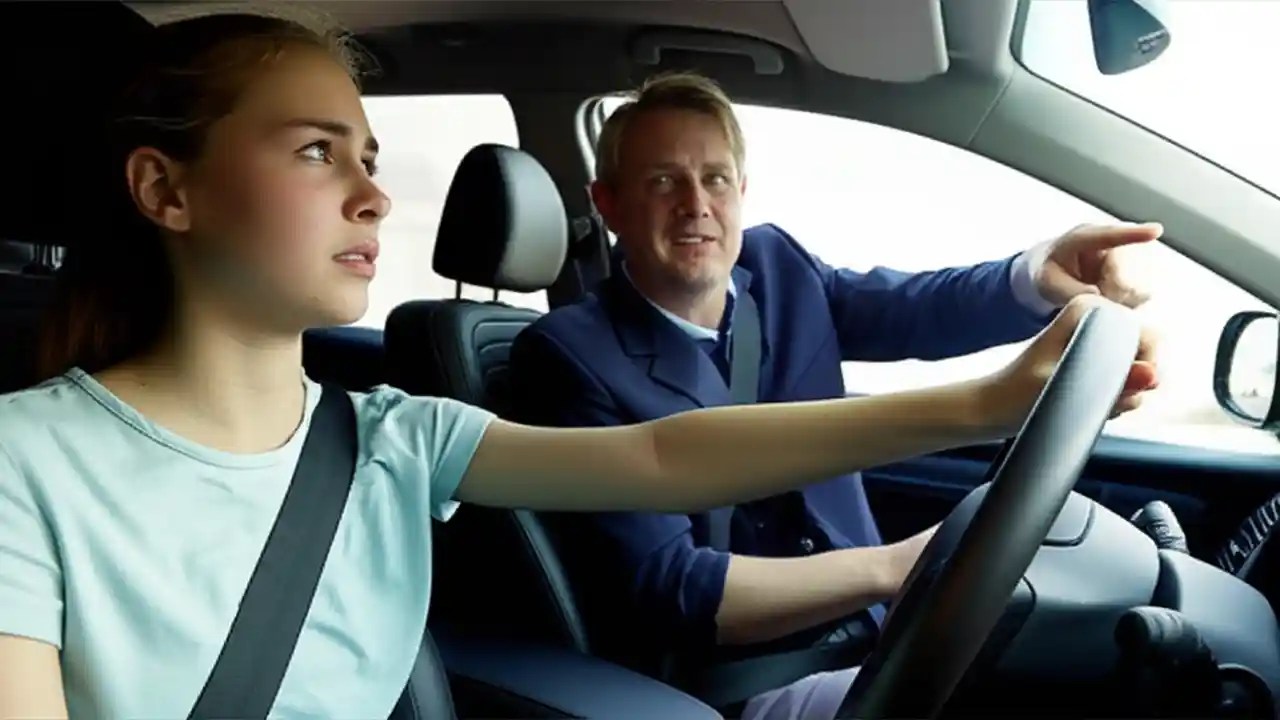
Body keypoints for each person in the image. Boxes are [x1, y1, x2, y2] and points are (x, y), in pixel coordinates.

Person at [0, 15, 1157, 720]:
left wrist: (996, 397)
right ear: (166, 191)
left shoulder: (398, 435)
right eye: (314, 151)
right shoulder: (26, 466)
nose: (371, 189)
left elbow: (664, 455)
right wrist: (887, 561)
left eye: (366, 151)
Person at [505, 71, 1160, 717]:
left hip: (876, 635)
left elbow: (912, 306)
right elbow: (676, 586)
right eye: (663, 181)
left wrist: (1038, 278)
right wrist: (895, 567)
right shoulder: (569, 356)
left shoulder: (778, 267)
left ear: (741, 191)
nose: (695, 204)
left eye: (715, 178)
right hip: (737, 681)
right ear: (609, 203)